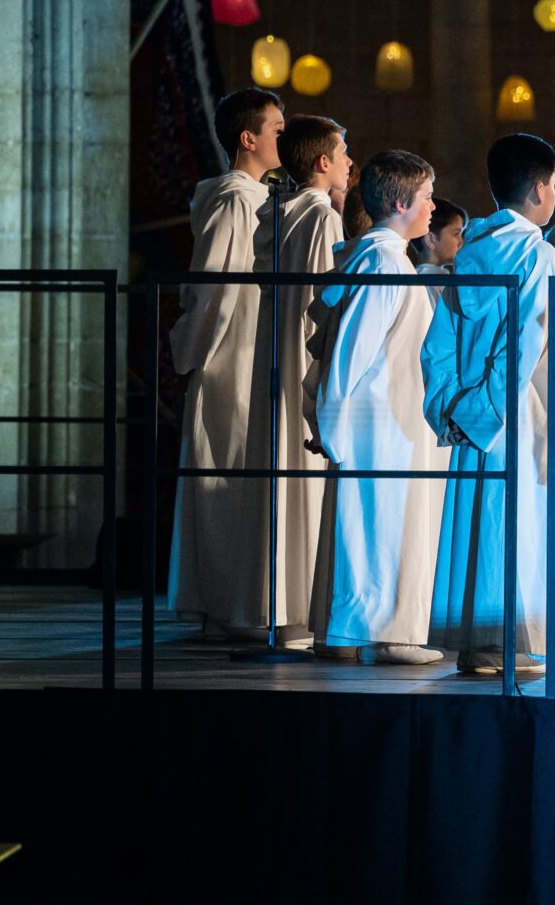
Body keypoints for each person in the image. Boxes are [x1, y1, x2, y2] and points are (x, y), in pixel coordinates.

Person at [424, 133, 555, 675]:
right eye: (554, 183)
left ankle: (481, 641)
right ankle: (513, 644)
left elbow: (437, 340)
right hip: (519, 414)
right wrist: (489, 411)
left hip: (473, 414)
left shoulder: (471, 253)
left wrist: (451, 406)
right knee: (519, 523)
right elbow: (526, 345)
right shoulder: (540, 253)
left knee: (480, 526)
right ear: (539, 189)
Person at [306, 149, 446, 665]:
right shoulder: (383, 261)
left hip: (393, 417)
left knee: (389, 523)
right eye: (427, 197)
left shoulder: (387, 258)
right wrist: (335, 426)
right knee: (381, 523)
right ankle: (380, 630)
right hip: (379, 423)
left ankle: (381, 629)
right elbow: (351, 353)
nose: (433, 208)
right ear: (402, 201)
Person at [229, 112, 350, 643]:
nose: (350, 164)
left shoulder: (278, 212)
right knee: (300, 484)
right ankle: (295, 608)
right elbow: (326, 304)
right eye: (344, 154)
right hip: (303, 358)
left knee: (278, 478)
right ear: (323, 162)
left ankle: (269, 603)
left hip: (271, 356)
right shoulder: (322, 216)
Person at [168, 87, 284, 638]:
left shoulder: (258, 198)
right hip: (231, 353)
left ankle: (242, 601)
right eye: (277, 131)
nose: (283, 140)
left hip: (251, 348)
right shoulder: (237, 199)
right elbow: (214, 284)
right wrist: (193, 349)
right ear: (248, 137)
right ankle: (224, 604)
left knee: (243, 473)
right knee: (228, 468)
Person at [410, 199, 467, 311]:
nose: (461, 242)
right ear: (430, 239)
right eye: (456, 234)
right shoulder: (426, 285)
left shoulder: (438, 279)